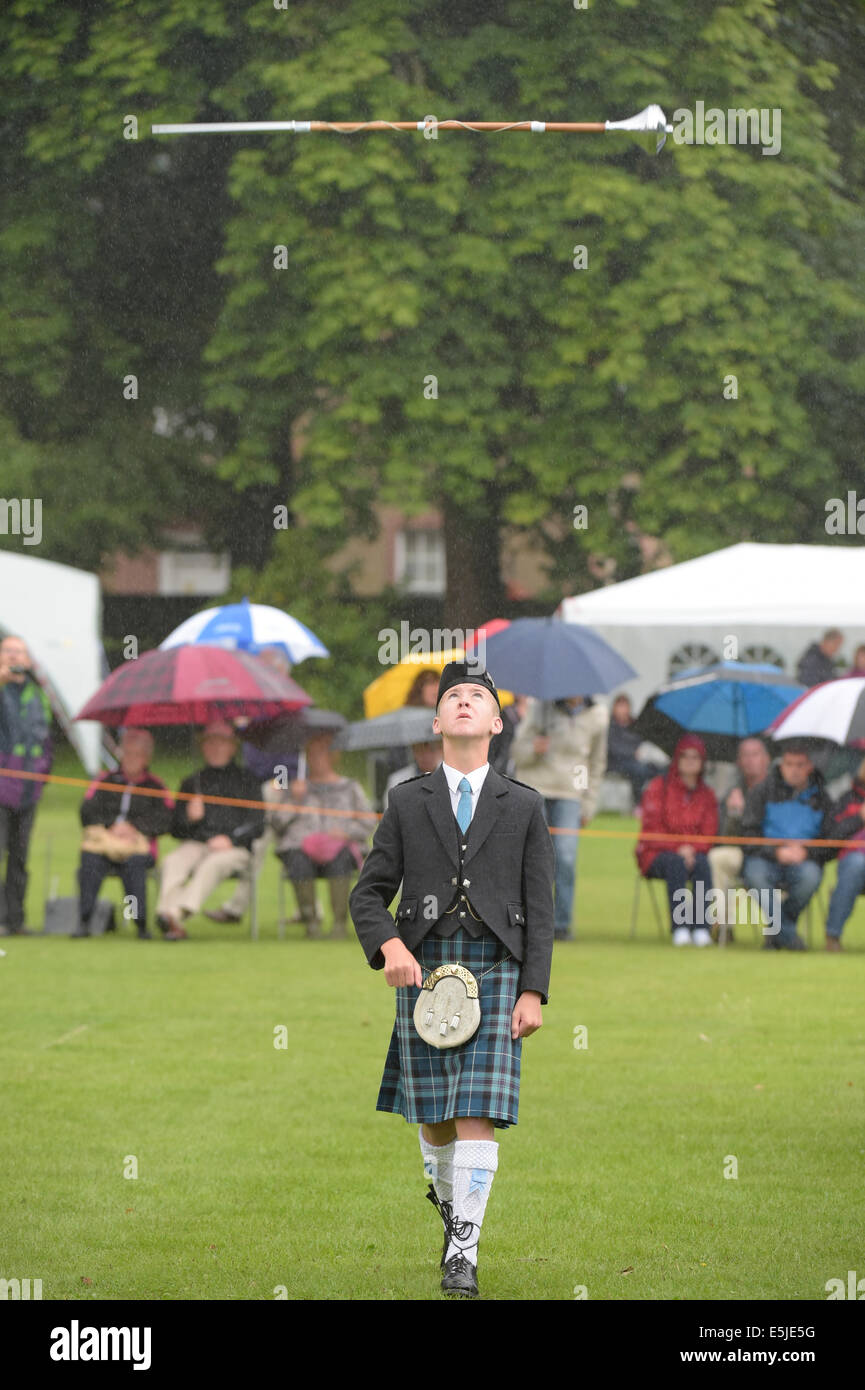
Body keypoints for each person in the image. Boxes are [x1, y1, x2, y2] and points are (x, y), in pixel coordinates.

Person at [350, 660, 554, 1299]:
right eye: (453, 698)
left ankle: (462, 1255)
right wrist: (389, 947)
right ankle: (452, 1214)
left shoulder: (523, 806)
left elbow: (542, 909)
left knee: (476, 1116)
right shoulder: (408, 800)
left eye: (478, 698)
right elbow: (369, 893)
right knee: (436, 1123)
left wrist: (533, 989)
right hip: (425, 975)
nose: (465, 704)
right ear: (436, 721)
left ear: (496, 722)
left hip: (496, 974)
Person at [156, 720, 265, 939]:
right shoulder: (192, 783)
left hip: (233, 849)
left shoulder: (248, 781)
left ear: (232, 747)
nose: (215, 748)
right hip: (198, 843)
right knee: (173, 861)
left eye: (221, 742)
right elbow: (176, 829)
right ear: (203, 747)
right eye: (210, 743)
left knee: (212, 864)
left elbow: (257, 824)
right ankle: (166, 914)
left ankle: (175, 914)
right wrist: (190, 817)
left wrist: (231, 840)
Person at [511, 693, 608, 940]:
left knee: (565, 857)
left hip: (571, 794)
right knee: (534, 859)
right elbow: (517, 753)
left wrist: (589, 803)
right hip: (535, 789)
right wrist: (534, 748)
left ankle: (561, 925)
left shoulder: (598, 716)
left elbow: (596, 763)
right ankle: (529, 920)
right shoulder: (539, 707)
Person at [270, 730, 373, 938]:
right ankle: (311, 922)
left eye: (322, 753)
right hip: (301, 849)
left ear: (333, 756)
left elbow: (368, 821)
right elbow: (276, 823)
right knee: (298, 860)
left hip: (340, 848)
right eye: (312, 753)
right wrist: (295, 801)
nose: (317, 759)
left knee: (341, 860)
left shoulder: (350, 787)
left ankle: (339, 924)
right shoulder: (295, 789)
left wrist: (346, 833)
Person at [74, 728, 173, 939]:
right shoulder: (105, 780)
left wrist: (134, 828)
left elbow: (165, 819)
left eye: (136, 754)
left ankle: (138, 922)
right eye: (126, 753)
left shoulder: (156, 786)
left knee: (133, 866)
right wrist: (111, 827)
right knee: (90, 860)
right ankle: (84, 920)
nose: (130, 759)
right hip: (104, 843)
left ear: (146, 757)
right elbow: (87, 811)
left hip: (138, 846)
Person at [740, 740, 835, 951]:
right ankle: (789, 937)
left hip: (804, 861)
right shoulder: (761, 792)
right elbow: (748, 834)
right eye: (789, 764)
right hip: (765, 859)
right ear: (781, 765)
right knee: (755, 877)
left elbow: (830, 841)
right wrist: (776, 851)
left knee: (811, 878)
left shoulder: (822, 798)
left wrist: (806, 852)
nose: (794, 770)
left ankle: (777, 932)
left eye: (799, 765)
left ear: (809, 766)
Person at [636, 734, 718, 946]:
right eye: (685, 756)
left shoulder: (707, 795)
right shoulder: (657, 788)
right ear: (676, 759)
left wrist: (691, 849)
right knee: (675, 864)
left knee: (702, 864)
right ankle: (680, 927)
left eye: (695, 757)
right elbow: (651, 831)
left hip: (694, 853)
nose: (690, 761)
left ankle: (701, 928)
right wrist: (678, 848)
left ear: (702, 762)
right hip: (657, 854)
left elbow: (709, 833)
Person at [0, 635, 53, 937]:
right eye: (7, 651)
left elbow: (47, 741)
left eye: (18, 652)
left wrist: (43, 776)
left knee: (20, 857)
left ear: (29, 661)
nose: (13, 657)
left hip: (27, 789)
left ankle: (16, 920)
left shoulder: (39, 694)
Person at [707, 737, 771, 940]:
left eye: (755, 754)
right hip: (742, 852)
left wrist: (747, 813)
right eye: (745, 755)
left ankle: (780, 928)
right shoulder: (734, 792)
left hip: (770, 852)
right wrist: (735, 815)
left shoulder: (776, 789)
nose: (750, 760)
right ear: (738, 761)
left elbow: (774, 829)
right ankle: (724, 925)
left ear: (766, 759)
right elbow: (724, 838)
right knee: (717, 857)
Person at [822, 756, 865, 951]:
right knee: (857, 864)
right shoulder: (848, 799)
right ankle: (833, 935)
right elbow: (832, 837)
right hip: (855, 863)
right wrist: (859, 818)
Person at [606, 693, 664, 800]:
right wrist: (633, 752)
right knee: (639, 770)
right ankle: (639, 801)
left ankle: (658, 800)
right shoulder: (609, 726)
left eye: (625, 706)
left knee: (660, 770)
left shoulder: (636, 724)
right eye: (620, 706)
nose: (623, 710)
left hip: (638, 760)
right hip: (616, 762)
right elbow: (613, 748)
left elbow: (646, 741)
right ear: (614, 708)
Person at [384, 738, 442, 807]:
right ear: (413, 750)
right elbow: (389, 811)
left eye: (432, 750)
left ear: (441, 750)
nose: (426, 756)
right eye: (421, 750)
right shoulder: (396, 780)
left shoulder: (450, 777)